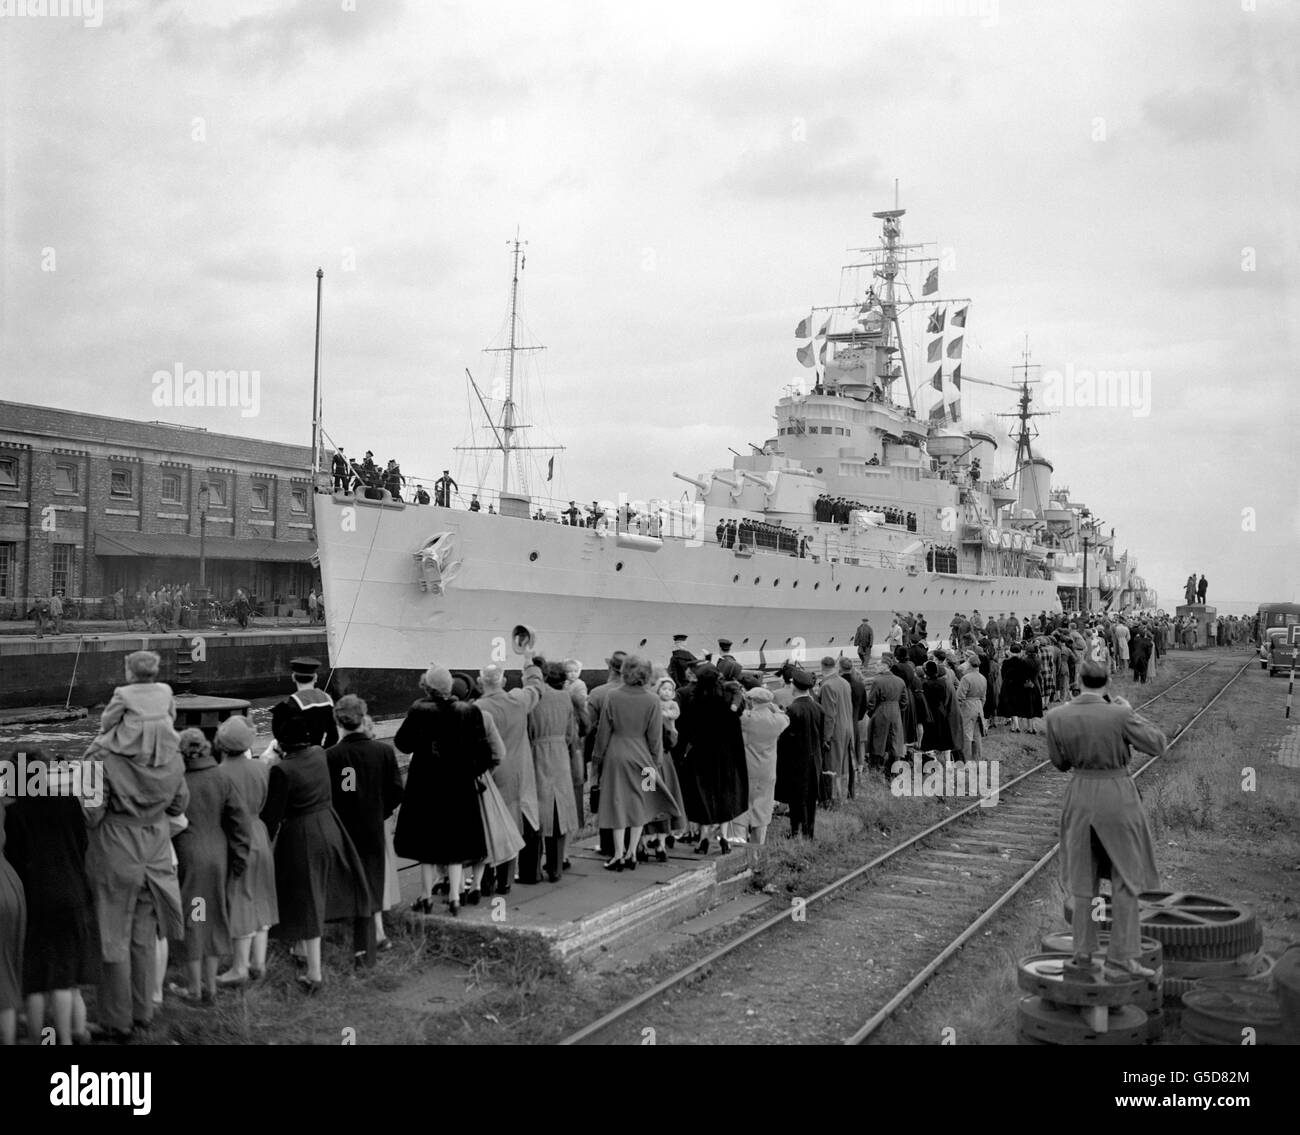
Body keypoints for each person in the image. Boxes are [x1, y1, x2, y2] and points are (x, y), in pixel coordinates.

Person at [83, 651, 189, 1041]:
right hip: (157, 849)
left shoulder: (103, 754)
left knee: (113, 935)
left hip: (116, 847)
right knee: (145, 935)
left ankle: (116, 1019)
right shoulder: (173, 754)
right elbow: (179, 805)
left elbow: (91, 814)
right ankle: (144, 1011)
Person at [1046, 659, 1167, 977]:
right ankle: (1123, 956)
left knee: (1083, 882)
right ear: (1108, 681)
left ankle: (1082, 954)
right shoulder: (1120, 712)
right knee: (1126, 877)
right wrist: (1129, 710)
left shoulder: (1057, 716)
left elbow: (1059, 763)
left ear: (1079, 679)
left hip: (1080, 795)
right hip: (1117, 796)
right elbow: (1158, 744)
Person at [262, 715, 375, 990]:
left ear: (282, 743)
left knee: (306, 898)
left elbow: (272, 816)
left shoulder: (282, 770)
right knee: (317, 890)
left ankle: (314, 974)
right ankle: (303, 950)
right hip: (329, 823)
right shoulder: (318, 754)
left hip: (302, 834)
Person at [2, 748, 100, 1045]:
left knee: (36, 978)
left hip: (36, 898)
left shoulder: (14, 812)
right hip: (74, 891)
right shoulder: (69, 801)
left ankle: (38, 1038)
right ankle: (73, 1034)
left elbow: (14, 857)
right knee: (65, 974)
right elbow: (82, 843)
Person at [393, 665, 495, 916]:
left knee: (426, 843)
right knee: (457, 842)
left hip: (425, 785)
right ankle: (454, 898)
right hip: (459, 786)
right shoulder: (469, 711)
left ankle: (426, 897)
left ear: (427, 687)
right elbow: (484, 754)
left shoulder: (419, 710)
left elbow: (402, 744)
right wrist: (469, 773)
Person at [169, 729, 251, 1004]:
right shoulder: (221, 777)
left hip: (188, 855)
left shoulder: (177, 780)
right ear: (207, 748)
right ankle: (211, 987)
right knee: (212, 917)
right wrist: (239, 860)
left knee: (194, 920)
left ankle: (194, 989)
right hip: (218, 854)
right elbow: (240, 822)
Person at [325, 696, 403, 959]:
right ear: (363, 718)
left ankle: (360, 940)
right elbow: (395, 791)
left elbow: (330, 795)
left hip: (343, 827)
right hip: (373, 824)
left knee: (349, 881)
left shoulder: (331, 756)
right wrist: (381, 811)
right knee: (373, 877)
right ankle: (374, 935)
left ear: (339, 721)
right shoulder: (383, 752)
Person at [593, 655, 687, 869]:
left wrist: (598, 759)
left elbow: (603, 732)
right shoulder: (652, 700)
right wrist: (656, 763)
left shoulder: (612, 696)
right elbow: (655, 737)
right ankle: (633, 852)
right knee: (641, 803)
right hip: (644, 758)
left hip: (616, 755)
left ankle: (618, 854)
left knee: (617, 802)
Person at [209, 716, 277, 986]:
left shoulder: (219, 774)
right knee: (261, 896)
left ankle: (239, 967)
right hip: (259, 832)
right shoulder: (262, 767)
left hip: (235, 838)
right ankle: (259, 962)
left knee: (240, 899)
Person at [477, 661, 543, 891]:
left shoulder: (478, 708)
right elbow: (536, 686)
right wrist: (529, 662)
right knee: (515, 824)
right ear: (504, 681)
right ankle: (505, 881)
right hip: (521, 771)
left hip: (492, 775)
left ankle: (485, 880)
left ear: (479, 682)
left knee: (489, 825)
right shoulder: (518, 700)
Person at [674, 663, 747, 856]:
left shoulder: (693, 702)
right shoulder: (727, 702)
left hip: (700, 756)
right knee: (724, 796)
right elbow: (735, 732)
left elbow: (686, 731)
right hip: (725, 757)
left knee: (702, 797)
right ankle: (723, 837)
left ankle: (704, 838)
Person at [529, 663, 584, 880]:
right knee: (559, 812)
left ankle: (532, 870)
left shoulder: (535, 697)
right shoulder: (566, 698)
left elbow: (528, 728)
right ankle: (556, 867)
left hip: (538, 753)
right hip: (560, 755)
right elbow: (572, 733)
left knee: (537, 814)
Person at [737, 686, 789, 845]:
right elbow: (785, 718)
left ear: (752, 701)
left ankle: (739, 846)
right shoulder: (777, 721)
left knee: (743, 809)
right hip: (767, 771)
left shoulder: (747, 718)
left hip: (747, 769)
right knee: (763, 810)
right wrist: (774, 708)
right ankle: (757, 848)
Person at [775, 668, 821, 838]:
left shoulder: (792, 709)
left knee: (796, 798)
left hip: (796, 760)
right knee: (811, 798)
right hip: (814, 759)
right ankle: (810, 832)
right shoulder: (818, 708)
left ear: (794, 687)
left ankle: (795, 832)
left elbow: (785, 739)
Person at [269, 658, 337, 754]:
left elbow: (281, 738)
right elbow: (334, 735)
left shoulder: (288, 706)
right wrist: (322, 752)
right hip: (320, 755)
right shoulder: (328, 700)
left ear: (293, 677)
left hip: (297, 757)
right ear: (315, 677)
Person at [817, 657, 854, 804]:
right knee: (844, 763)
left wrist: (826, 737)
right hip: (847, 726)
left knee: (832, 765)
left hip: (835, 730)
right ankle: (843, 795)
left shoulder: (827, 686)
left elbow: (829, 715)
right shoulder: (844, 683)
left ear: (822, 667)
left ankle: (833, 798)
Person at [865, 658, 907, 779]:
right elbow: (904, 701)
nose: (875, 668)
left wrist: (872, 713)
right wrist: (897, 709)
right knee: (895, 740)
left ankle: (875, 769)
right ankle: (893, 771)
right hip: (895, 711)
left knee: (877, 740)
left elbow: (871, 701)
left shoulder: (877, 681)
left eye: (877, 666)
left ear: (885, 666)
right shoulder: (900, 681)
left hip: (881, 710)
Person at [956, 653, 987, 763]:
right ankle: (977, 759)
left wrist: (958, 710)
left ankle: (967, 760)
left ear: (969, 664)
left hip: (968, 706)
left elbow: (959, 697)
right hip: (978, 706)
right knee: (977, 736)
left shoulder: (966, 678)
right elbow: (984, 697)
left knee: (967, 736)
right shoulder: (983, 678)